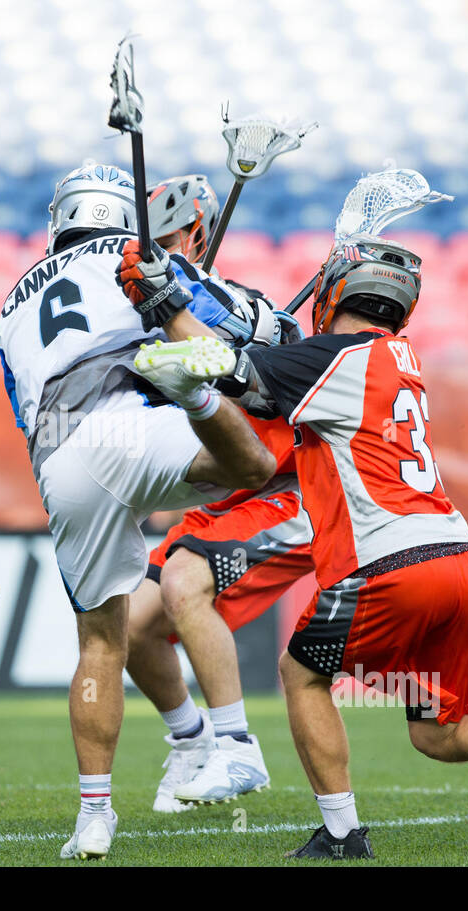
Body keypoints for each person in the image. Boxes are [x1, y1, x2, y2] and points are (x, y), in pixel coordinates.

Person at [131, 233, 468, 859]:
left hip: (388, 563)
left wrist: (165, 297)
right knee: (439, 733)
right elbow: (261, 377)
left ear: (337, 291)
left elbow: (224, 369)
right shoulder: (400, 357)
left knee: (300, 674)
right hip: (460, 561)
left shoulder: (333, 356)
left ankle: (342, 834)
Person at [0, 163, 275, 859]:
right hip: (126, 423)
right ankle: (200, 399)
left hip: (57, 456)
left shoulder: (8, 306)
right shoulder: (128, 254)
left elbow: (19, 405)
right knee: (252, 464)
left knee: (101, 643)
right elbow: (228, 319)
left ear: (60, 217)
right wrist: (275, 323)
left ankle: (95, 817)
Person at [124, 174, 315, 811]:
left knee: (183, 584)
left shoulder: (243, 306)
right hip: (227, 494)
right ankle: (192, 740)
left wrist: (178, 295)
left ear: (196, 235)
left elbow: (261, 330)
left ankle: (238, 749)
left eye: (166, 242)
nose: (148, 257)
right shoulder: (151, 313)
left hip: (287, 490)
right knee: (131, 630)